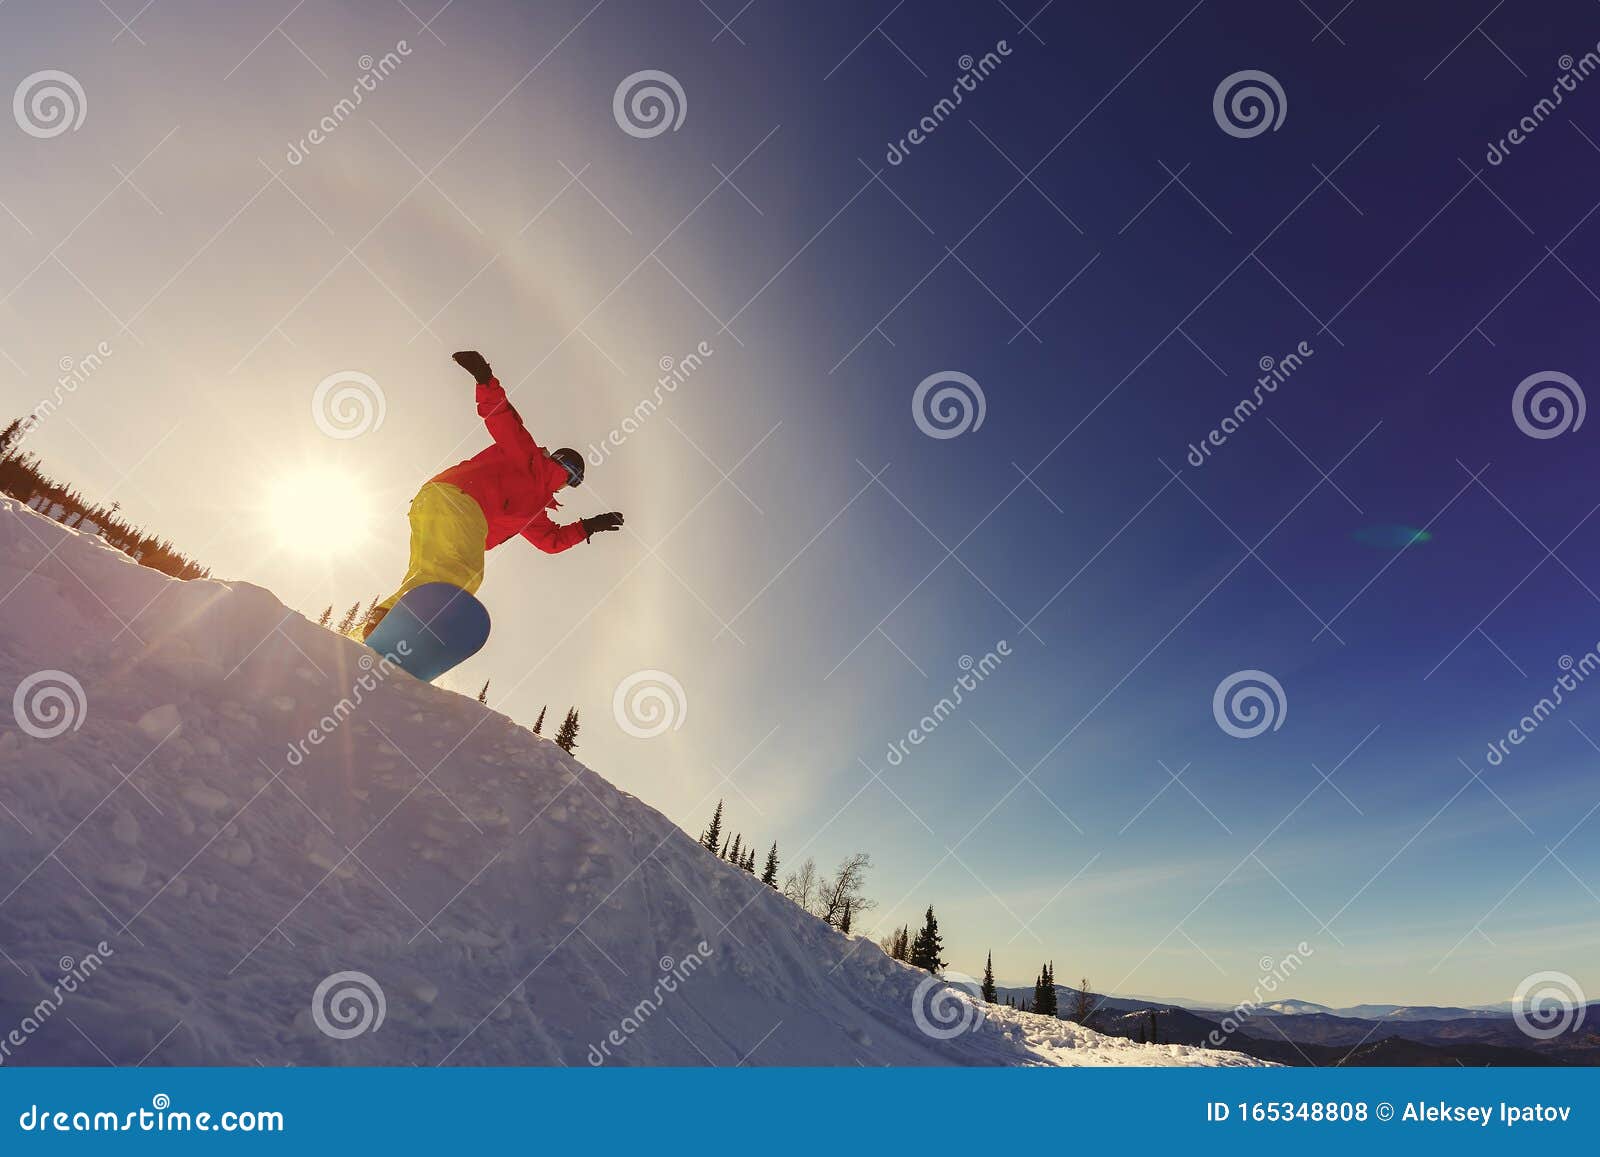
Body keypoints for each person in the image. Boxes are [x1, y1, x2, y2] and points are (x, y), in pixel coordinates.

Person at [360, 350, 624, 640]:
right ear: (565, 469)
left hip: (432, 501)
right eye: (573, 480)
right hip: (461, 504)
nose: (566, 487)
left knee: (429, 574)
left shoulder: (534, 511)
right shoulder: (529, 461)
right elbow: (503, 418)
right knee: (465, 573)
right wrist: (484, 378)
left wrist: (589, 525)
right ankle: (402, 629)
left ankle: (378, 625)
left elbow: (551, 541)